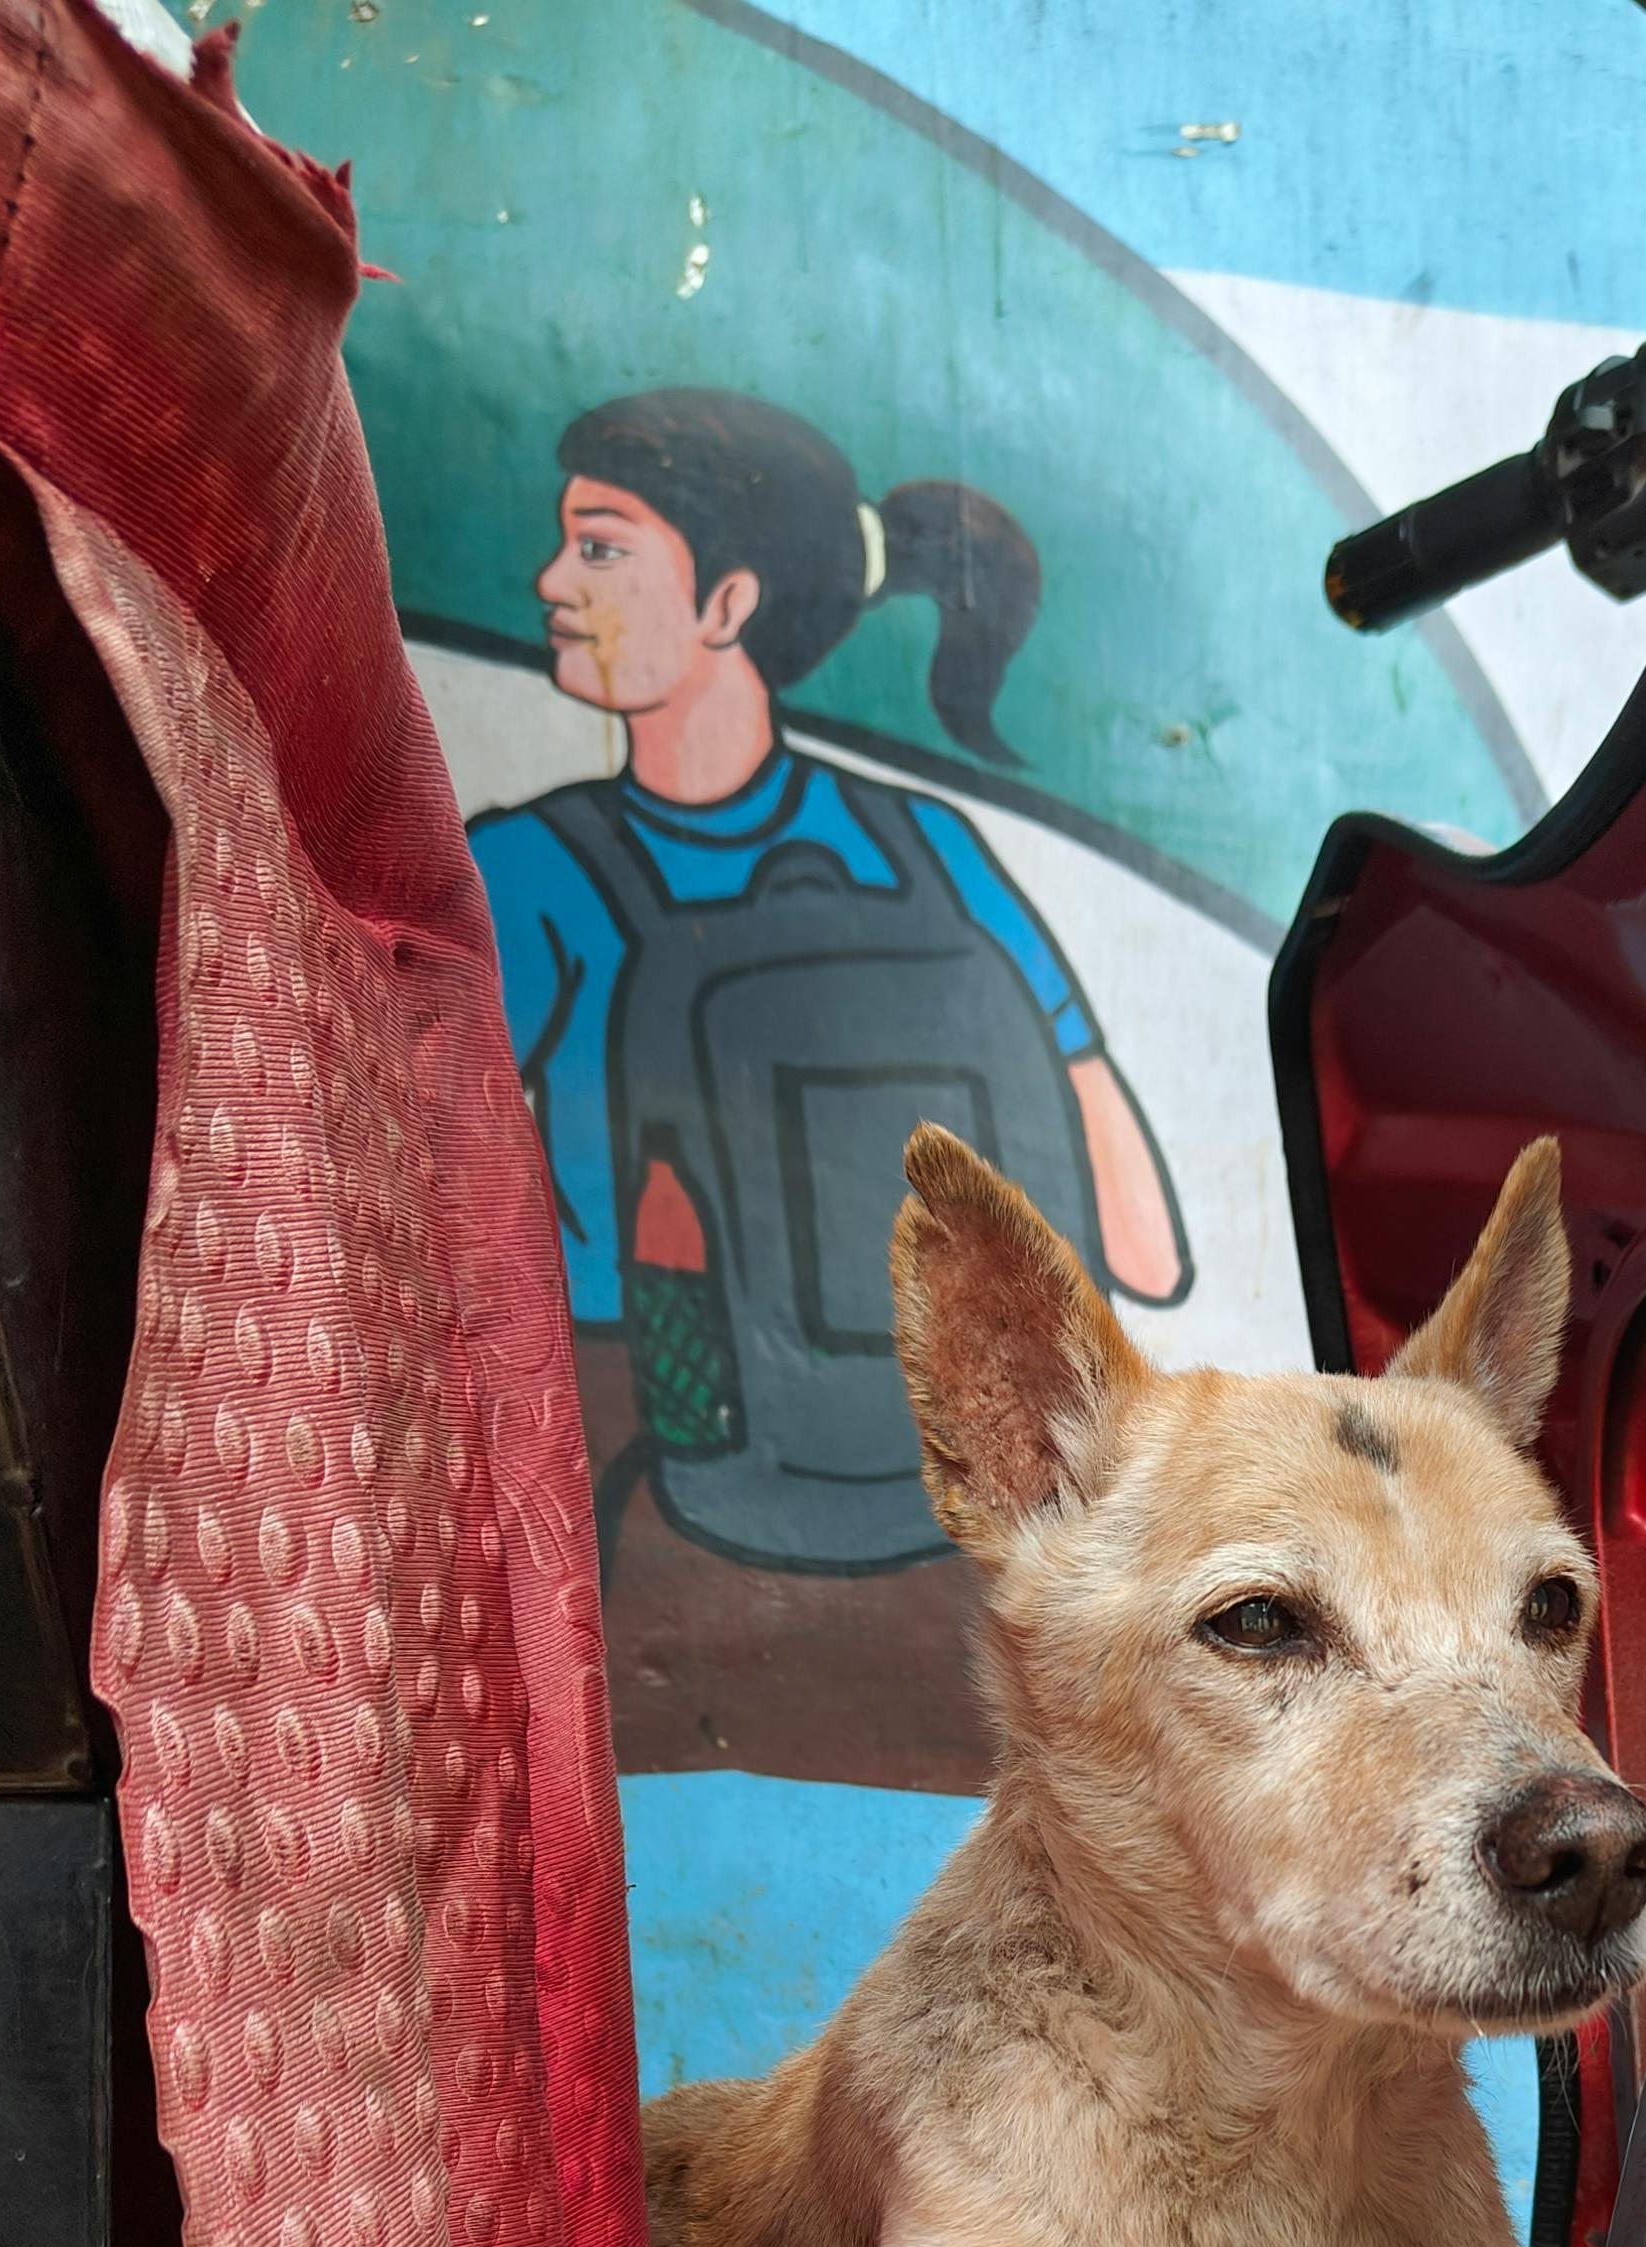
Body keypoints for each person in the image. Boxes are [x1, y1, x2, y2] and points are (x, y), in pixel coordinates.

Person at [471, 389, 1188, 1572]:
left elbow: (431, 1219)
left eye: (599, 549)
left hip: (667, 1476)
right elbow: (1146, 1252)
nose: (551, 581)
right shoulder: (925, 849)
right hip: (996, 1511)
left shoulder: (529, 870)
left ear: (728, 602)